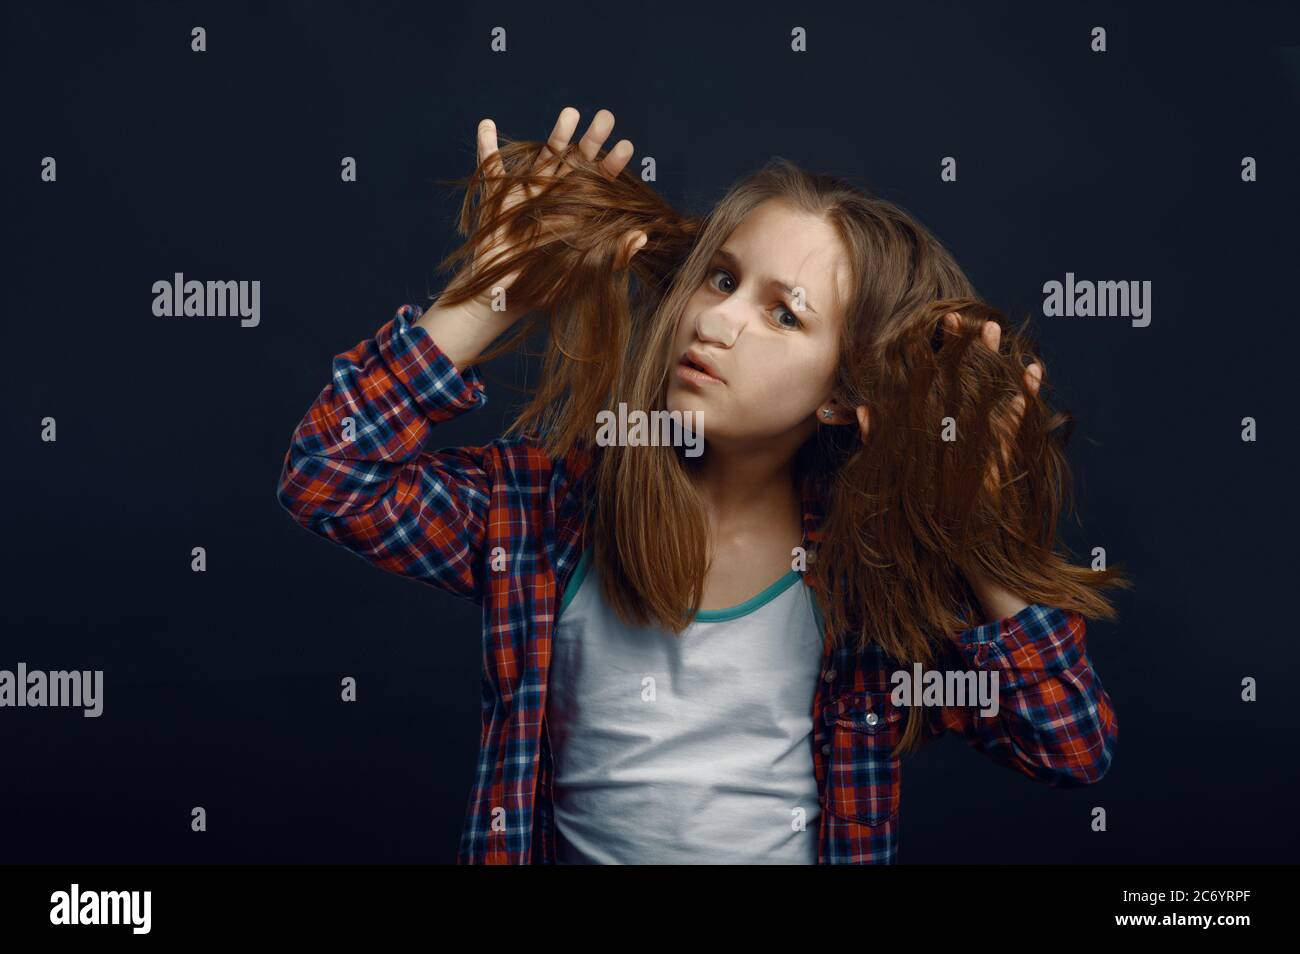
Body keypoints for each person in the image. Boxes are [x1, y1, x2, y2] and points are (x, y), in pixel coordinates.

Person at [276, 106, 1130, 864]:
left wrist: (976, 529)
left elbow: (1069, 746)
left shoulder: (867, 576)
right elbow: (329, 474)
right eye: (722, 280)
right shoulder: (548, 511)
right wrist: (495, 294)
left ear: (843, 391)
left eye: (782, 313)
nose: (718, 321)